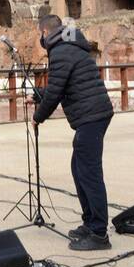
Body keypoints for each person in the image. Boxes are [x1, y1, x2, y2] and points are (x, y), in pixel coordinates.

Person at [32, 14, 115, 251]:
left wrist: (38, 117)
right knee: (79, 168)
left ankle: (99, 234)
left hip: (92, 116)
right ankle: (89, 223)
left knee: (89, 173)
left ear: (45, 33)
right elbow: (63, 83)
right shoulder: (70, 45)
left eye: (41, 35)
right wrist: (39, 94)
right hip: (94, 113)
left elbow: (57, 90)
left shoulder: (60, 51)